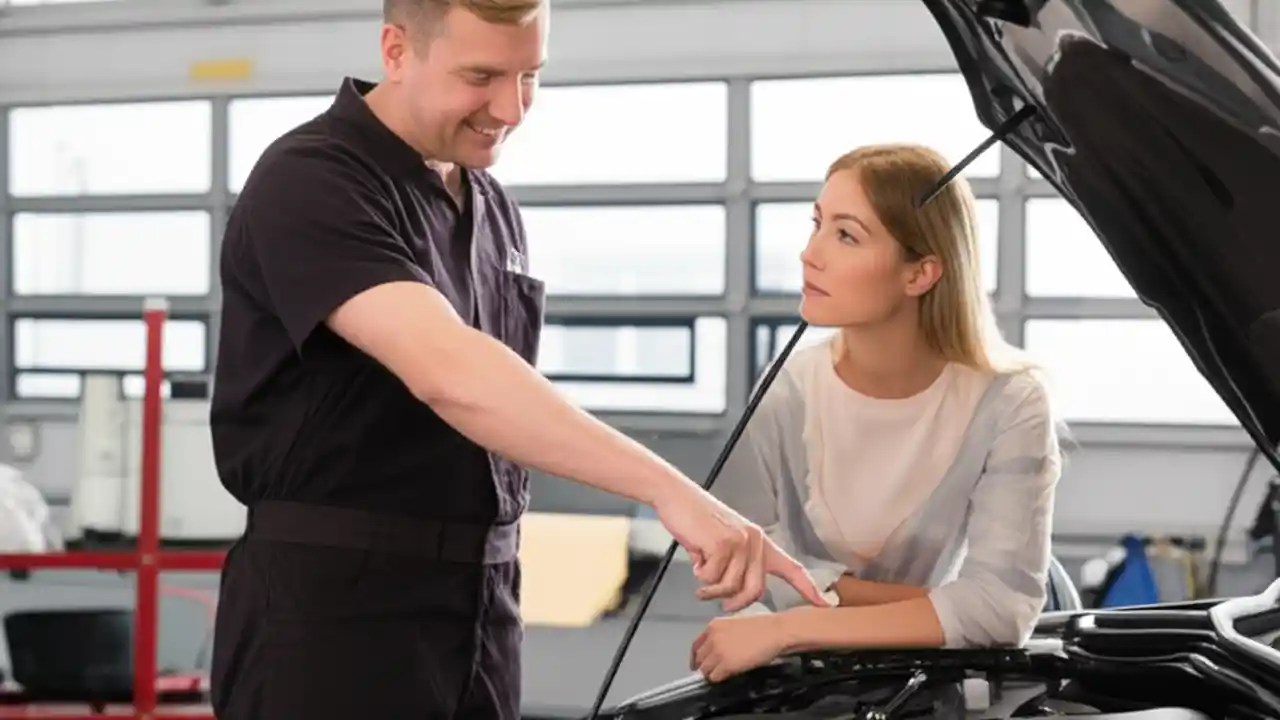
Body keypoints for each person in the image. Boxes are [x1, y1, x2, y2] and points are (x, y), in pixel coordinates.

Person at [206, 1, 825, 718]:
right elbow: (451, 372)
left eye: (530, 75)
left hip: (484, 607)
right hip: (334, 614)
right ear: (396, 51)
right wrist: (670, 489)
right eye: (483, 76)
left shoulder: (491, 204)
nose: (513, 108)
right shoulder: (314, 178)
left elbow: (505, 400)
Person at [689, 143, 1065, 683]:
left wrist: (789, 626)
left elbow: (1002, 610)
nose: (809, 254)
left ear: (920, 274)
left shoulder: (1011, 402)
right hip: (804, 689)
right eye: (816, 224)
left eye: (845, 235)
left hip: (932, 687)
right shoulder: (784, 390)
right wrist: (940, 606)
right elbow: (745, 577)